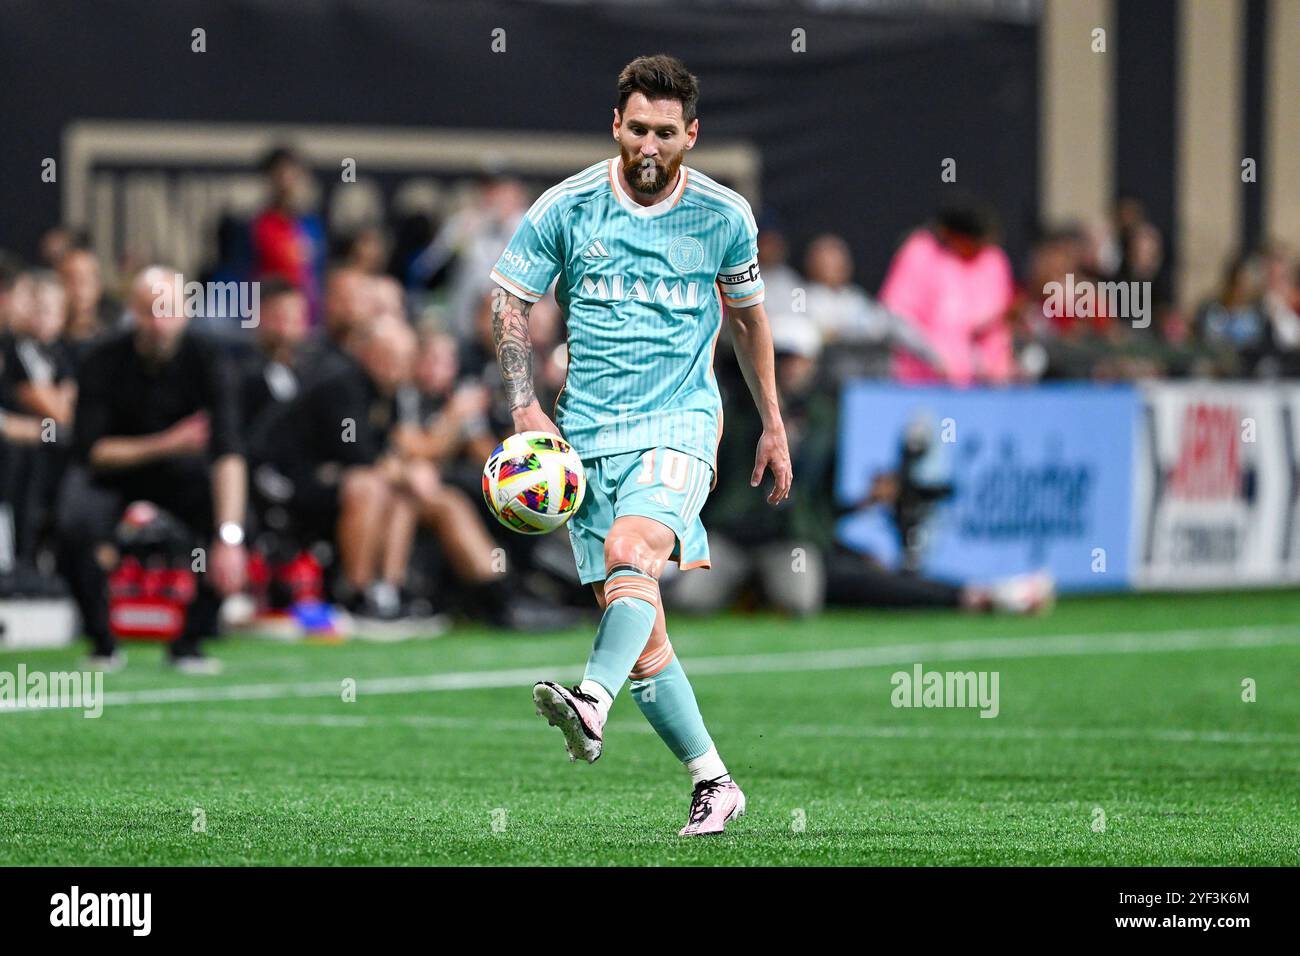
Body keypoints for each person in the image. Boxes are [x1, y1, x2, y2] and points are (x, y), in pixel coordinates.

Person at [488, 55, 791, 836]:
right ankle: (713, 781)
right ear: (615, 126)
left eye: (666, 131)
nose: (649, 145)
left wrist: (773, 423)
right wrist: (524, 405)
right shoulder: (569, 207)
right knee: (642, 629)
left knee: (633, 549)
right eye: (637, 128)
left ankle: (590, 702)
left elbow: (752, 321)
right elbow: (509, 299)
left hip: (680, 426)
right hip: (583, 442)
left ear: (691, 135)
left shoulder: (724, 216)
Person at [57, 266, 249, 673]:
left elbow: (228, 451)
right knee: (74, 522)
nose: (159, 322)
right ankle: (102, 642)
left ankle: (190, 641)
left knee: (234, 521)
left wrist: (229, 536)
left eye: (169, 310)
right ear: (133, 312)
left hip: (180, 475)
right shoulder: (102, 359)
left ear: (185, 312)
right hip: (114, 473)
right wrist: (169, 442)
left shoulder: (211, 359)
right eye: (149, 311)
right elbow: (91, 451)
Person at [880, 201, 1016, 386]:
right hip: (920, 384)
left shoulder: (993, 259)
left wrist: (988, 364)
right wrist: (933, 356)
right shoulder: (919, 251)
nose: (977, 249)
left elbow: (996, 323)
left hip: (981, 388)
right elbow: (895, 316)